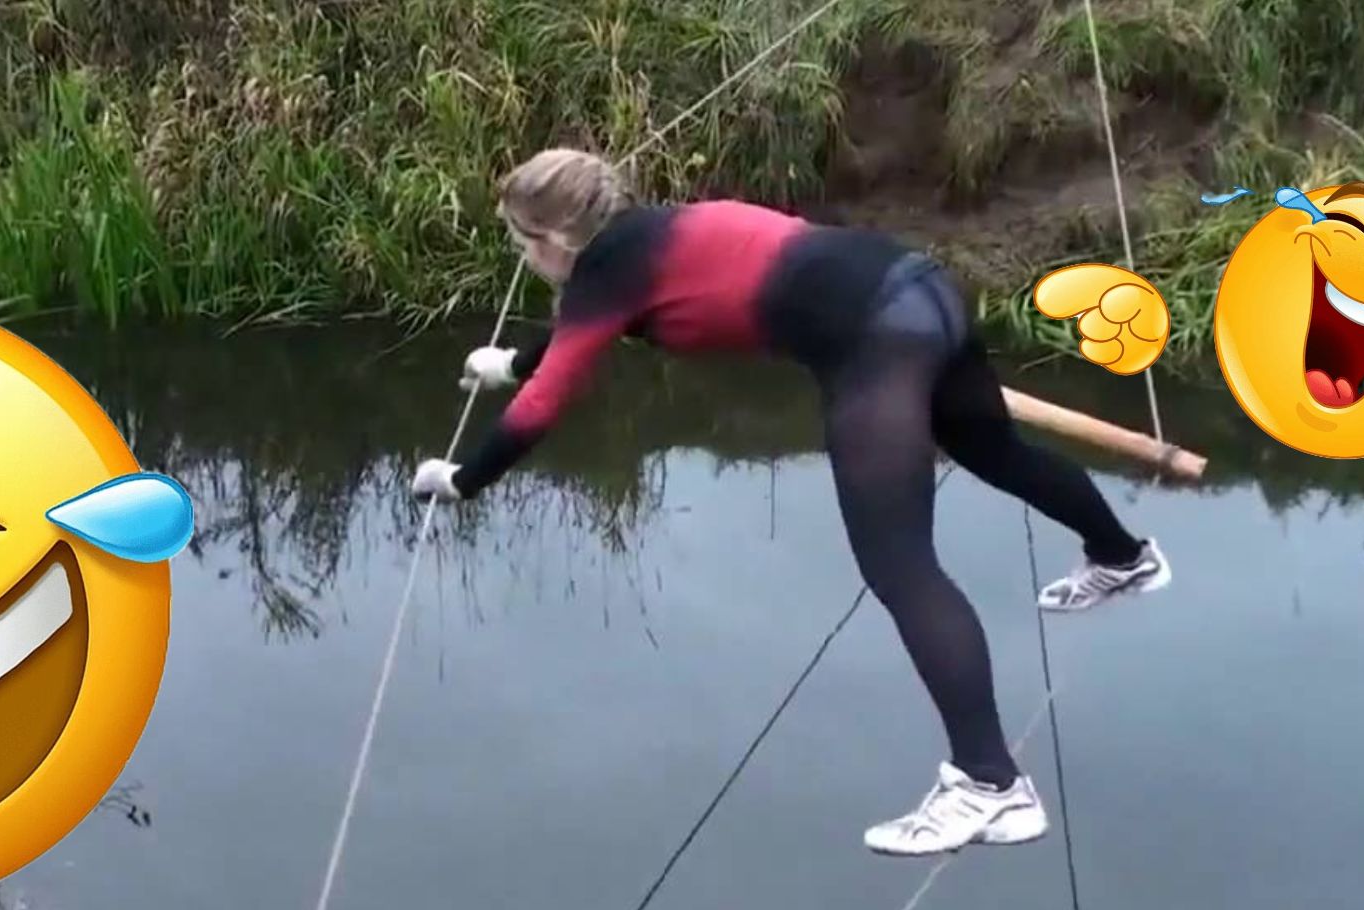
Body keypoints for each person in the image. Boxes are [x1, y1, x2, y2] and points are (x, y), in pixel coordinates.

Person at [410, 148, 1170, 856]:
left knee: (900, 567)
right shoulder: (653, 231)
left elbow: (544, 405)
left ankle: (991, 786)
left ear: (552, 238)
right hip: (921, 287)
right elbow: (584, 327)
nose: (524, 259)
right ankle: (1123, 557)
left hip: (876, 340)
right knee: (995, 450)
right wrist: (510, 363)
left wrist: (463, 480)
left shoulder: (608, 271)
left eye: (522, 244)